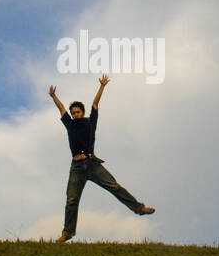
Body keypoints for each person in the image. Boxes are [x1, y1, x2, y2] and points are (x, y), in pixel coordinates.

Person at [49, 74, 154, 242]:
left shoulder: (90, 122)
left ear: (82, 112)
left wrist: (102, 87)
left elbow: (95, 104)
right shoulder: (69, 123)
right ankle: (68, 232)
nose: (75, 114)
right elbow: (61, 109)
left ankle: (139, 208)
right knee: (71, 200)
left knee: (114, 187)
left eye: (77, 112)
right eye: (73, 112)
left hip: (92, 164)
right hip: (76, 167)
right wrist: (54, 96)